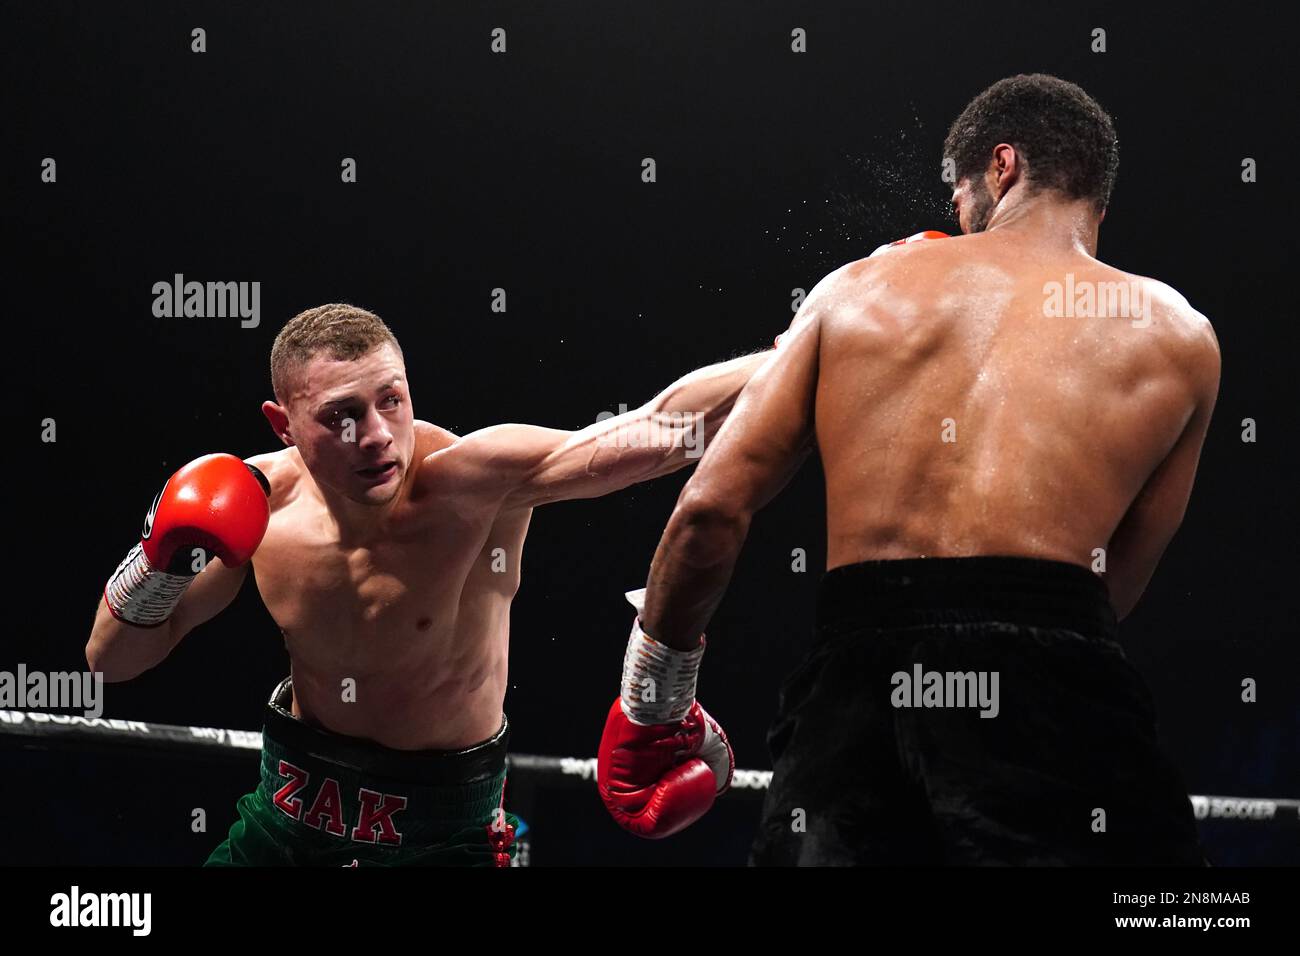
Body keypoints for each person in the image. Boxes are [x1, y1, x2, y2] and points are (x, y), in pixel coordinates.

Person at [596, 74, 1220, 865]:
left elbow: (709, 513)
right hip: (1056, 692)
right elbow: (1114, 586)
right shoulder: (1179, 336)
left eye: (958, 199)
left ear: (1001, 168)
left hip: (860, 697)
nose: (957, 226)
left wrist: (655, 699)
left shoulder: (857, 291)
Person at [88, 303, 771, 866]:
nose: (378, 436)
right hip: (288, 817)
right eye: (341, 416)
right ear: (283, 424)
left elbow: (655, 432)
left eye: (392, 399)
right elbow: (111, 663)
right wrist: (160, 560)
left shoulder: (474, 483)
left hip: (445, 835)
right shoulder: (257, 506)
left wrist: (802, 346)